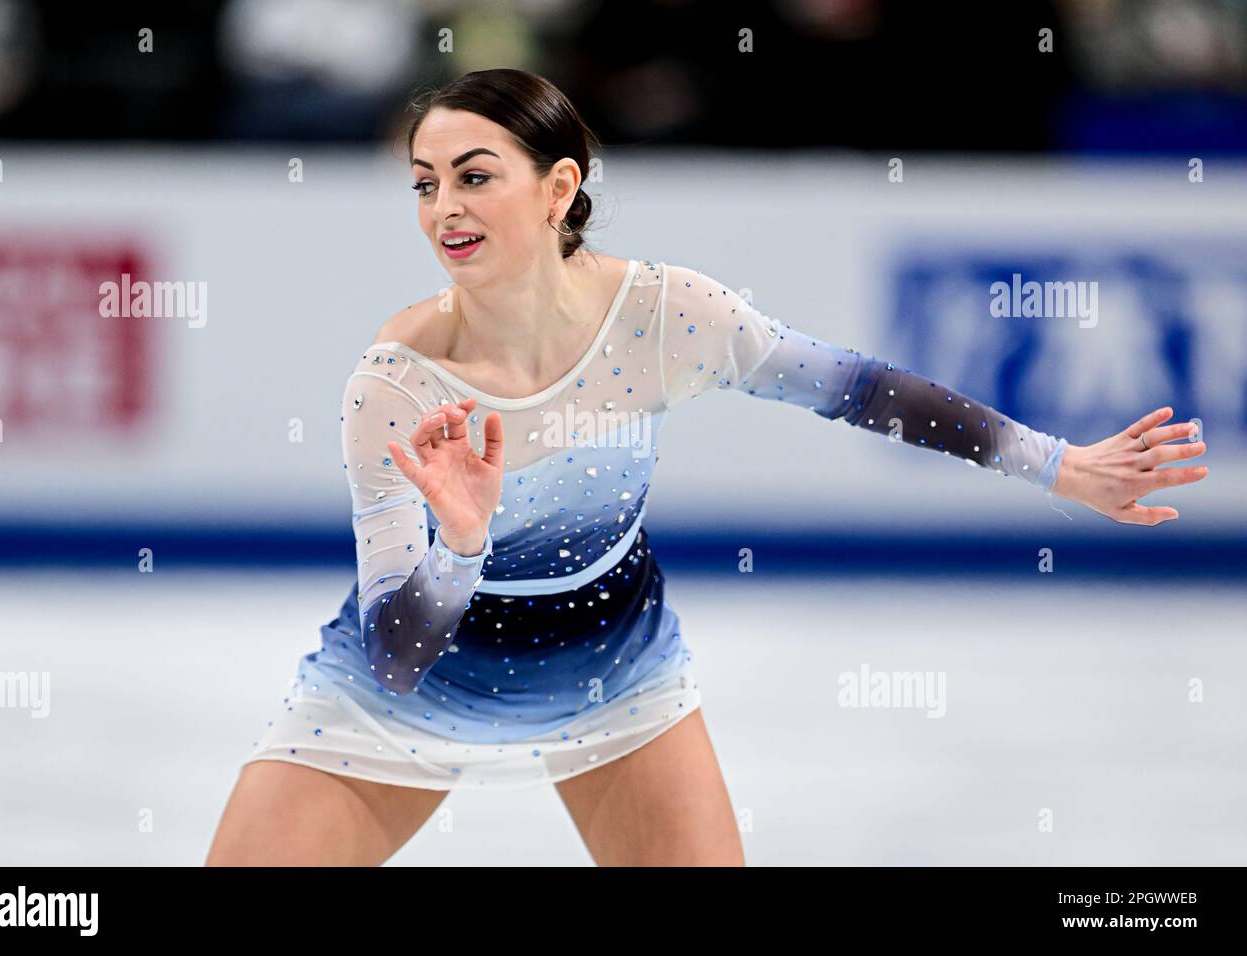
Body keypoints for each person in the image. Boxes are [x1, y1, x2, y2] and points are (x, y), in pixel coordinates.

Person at [206, 69, 1208, 867]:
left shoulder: (665, 316)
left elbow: (859, 387)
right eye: (425, 183)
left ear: (562, 186)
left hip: (617, 676)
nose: (442, 208)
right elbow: (392, 655)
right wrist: (463, 544)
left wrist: (1056, 465)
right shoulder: (397, 383)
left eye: (474, 175)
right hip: (395, 705)